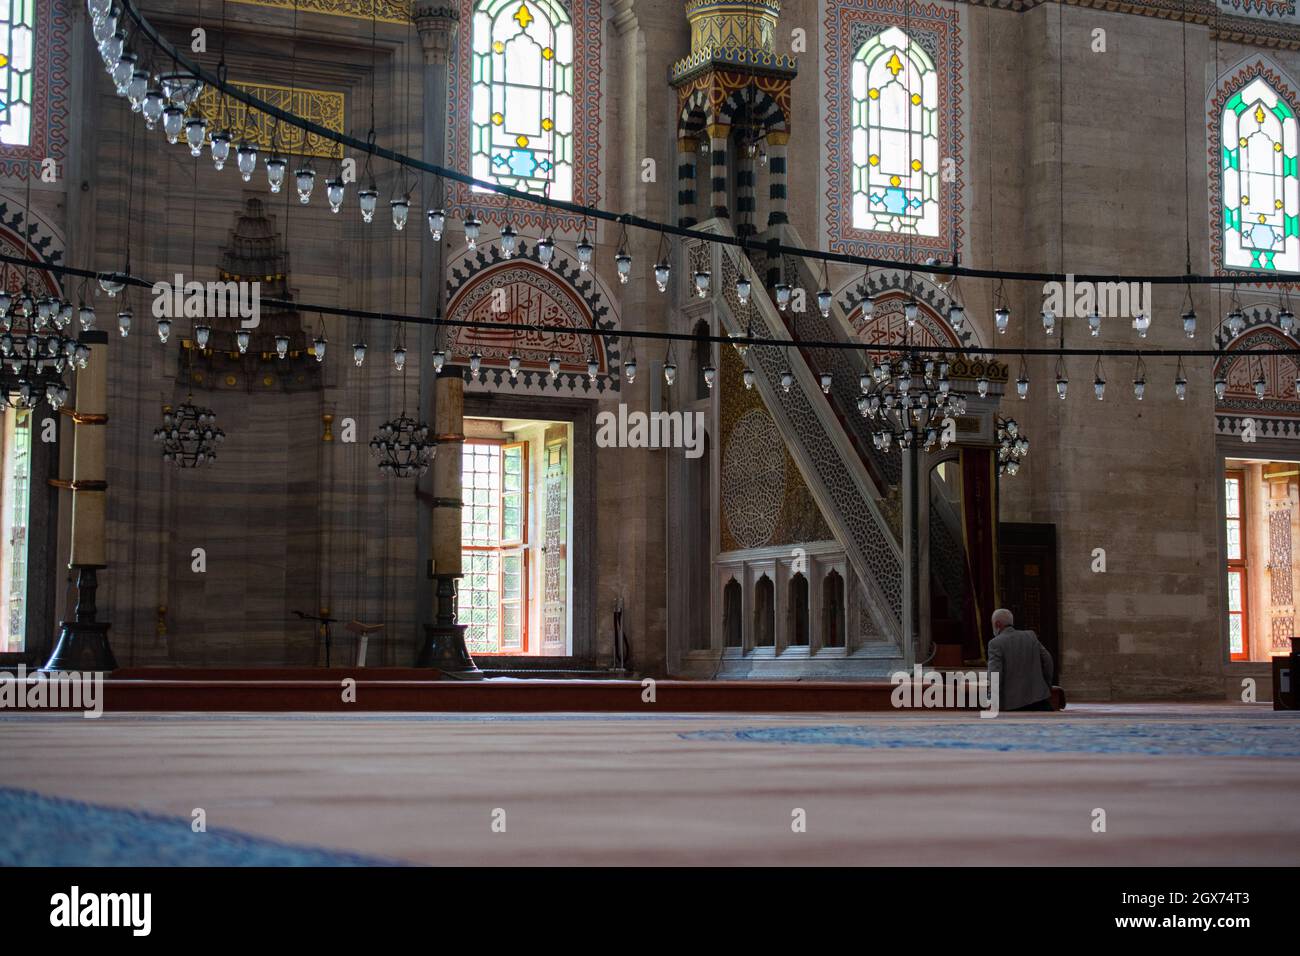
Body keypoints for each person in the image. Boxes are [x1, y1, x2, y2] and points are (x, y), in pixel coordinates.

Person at [986, 608, 1055, 712]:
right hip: (1040, 700)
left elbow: (995, 674)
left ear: (997, 624)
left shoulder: (995, 643)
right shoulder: (1030, 636)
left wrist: (992, 700)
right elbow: (1048, 660)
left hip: (1013, 705)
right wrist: (1046, 685)